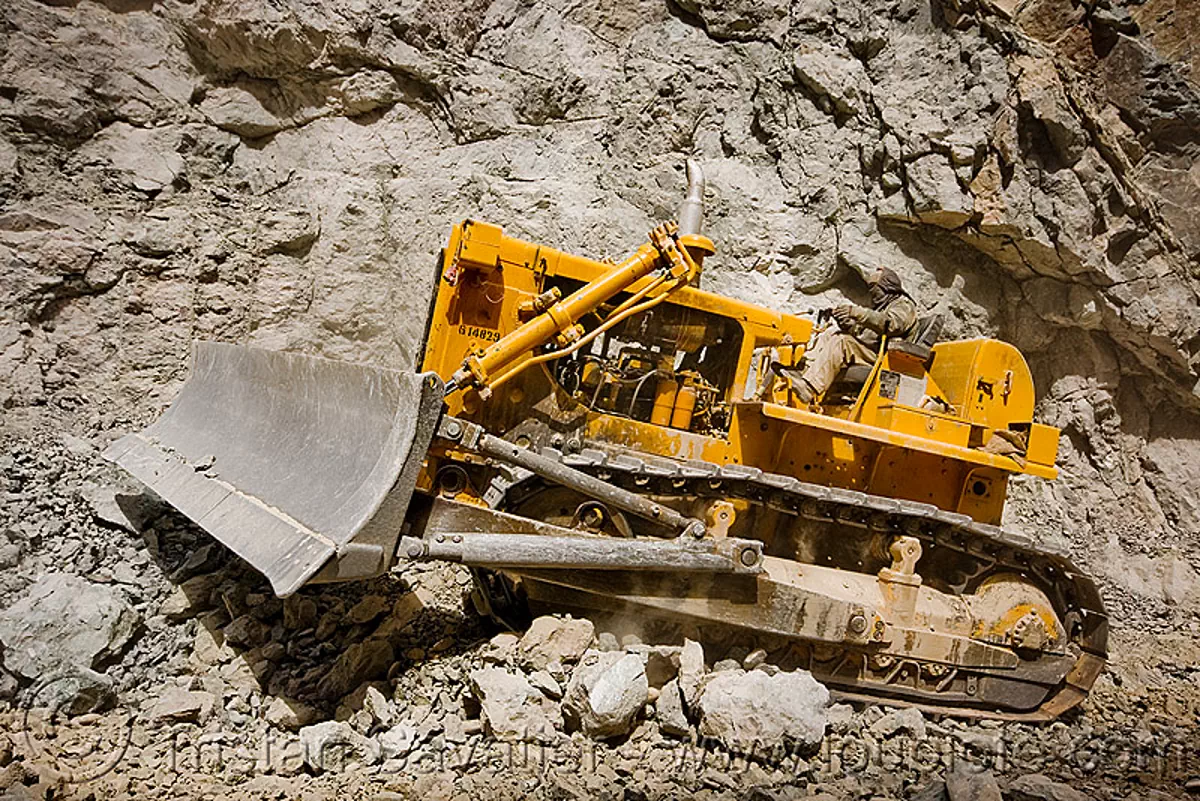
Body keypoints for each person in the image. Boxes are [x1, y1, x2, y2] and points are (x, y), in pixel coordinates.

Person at [782, 267, 918, 404]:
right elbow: (863, 334)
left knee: (842, 342)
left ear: (887, 286)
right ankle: (802, 373)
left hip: (887, 358)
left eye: (874, 287)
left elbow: (892, 324)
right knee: (830, 333)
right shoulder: (881, 308)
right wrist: (846, 323)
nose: (871, 291)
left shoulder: (904, 305)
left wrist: (856, 312)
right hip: (872, 351)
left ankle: (809, 388)